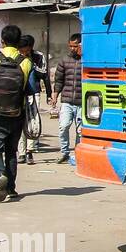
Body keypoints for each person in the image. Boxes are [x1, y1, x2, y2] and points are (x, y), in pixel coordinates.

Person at [0, 24, 35, 202]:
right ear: (19, 40)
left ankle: (0, 175)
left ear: (3, 41)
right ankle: (12, 188)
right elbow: (31, 89)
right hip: (17, 112)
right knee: (12, 151)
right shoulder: (26, 62)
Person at [50, 33, 84, 163]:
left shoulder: (86, 60)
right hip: (67, 101)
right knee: (63, 126)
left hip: (82, 102)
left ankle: (77, 154)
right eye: (70, 46)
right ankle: (64, 152)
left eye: (75, 46)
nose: (72, 48)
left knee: (80, 130)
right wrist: (55, 94)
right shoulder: (64, 60)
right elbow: (59, 79)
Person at [17, 34, 51, 165]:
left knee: (32, 121)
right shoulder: (16, 57)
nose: (23, 52)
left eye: (25, 50)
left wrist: (49, 94)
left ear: (30, 48)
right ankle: (21, 152)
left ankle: (29, 151)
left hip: (34, 92)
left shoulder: (38, 56)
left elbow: (45, 74)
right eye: (21, 50)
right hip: (19, 93)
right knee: (19, 122)